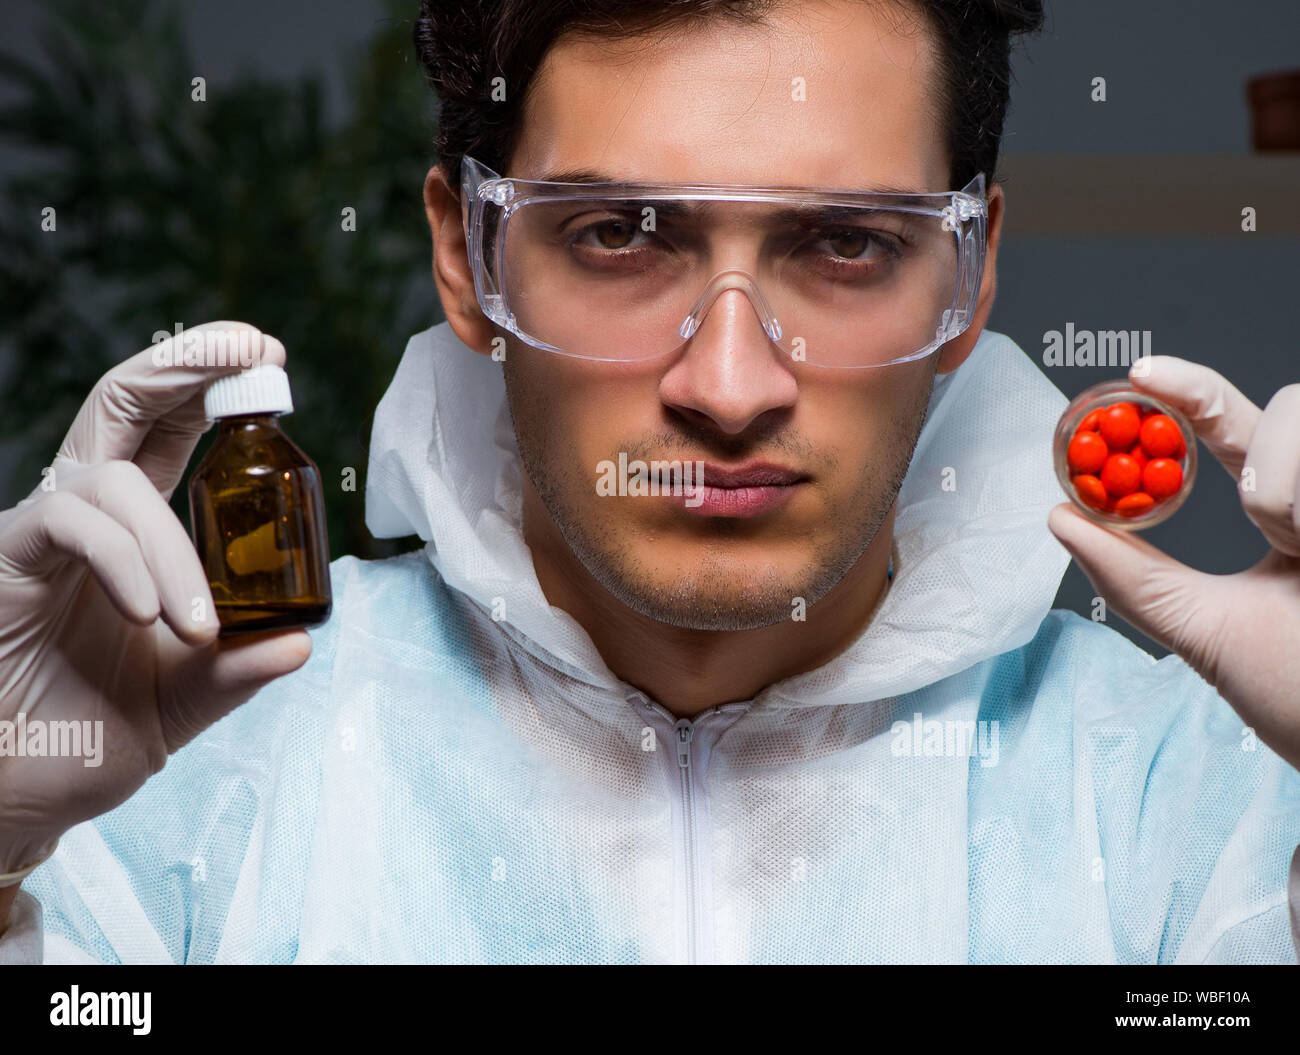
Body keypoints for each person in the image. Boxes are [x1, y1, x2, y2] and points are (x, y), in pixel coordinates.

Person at [1, 0, 1298, 965]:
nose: (730, 388)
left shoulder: (1177, 802)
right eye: (619, 234)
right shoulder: (190, 764)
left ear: (971, 277)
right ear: (468, 254)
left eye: (846, 242)